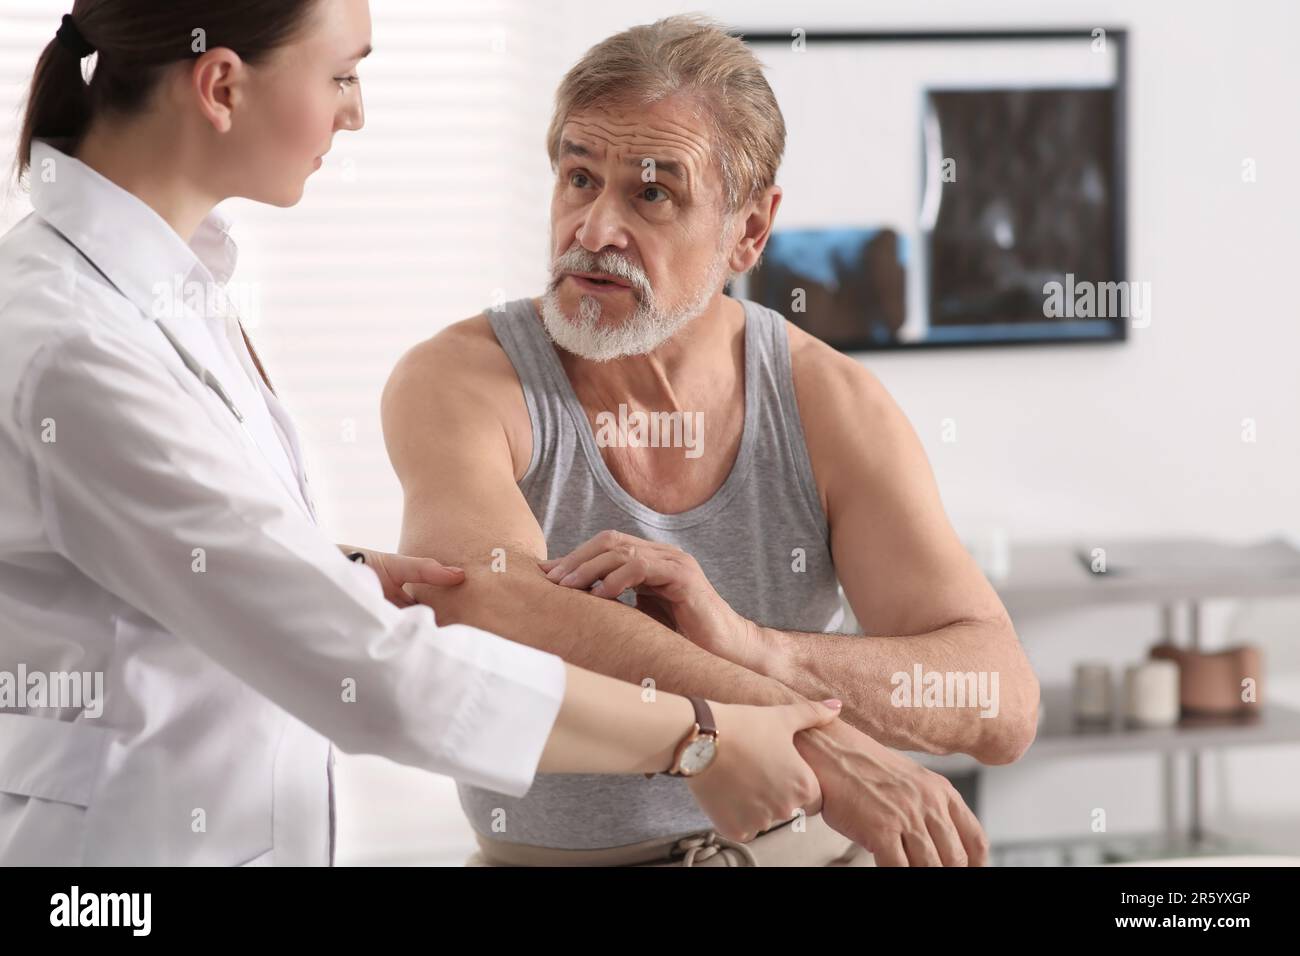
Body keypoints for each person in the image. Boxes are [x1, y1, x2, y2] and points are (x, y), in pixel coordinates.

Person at [0, 0, 843, 866]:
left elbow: (181, 561)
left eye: (654, 191)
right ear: (221, 85)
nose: (355, 110)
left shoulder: (168, 287)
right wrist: (701, 736)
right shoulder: (75, 343)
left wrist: (340, 573)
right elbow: (381, 679)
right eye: (341, 74)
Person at [383, 15, 1039, 867]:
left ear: (750, 231)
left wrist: (755, 646)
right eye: (579, 178)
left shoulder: (827, 400)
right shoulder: (464, 379)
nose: (593, 230)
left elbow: (1001, 699)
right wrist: (800, 741)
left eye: (651, 193)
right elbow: (487, 606)